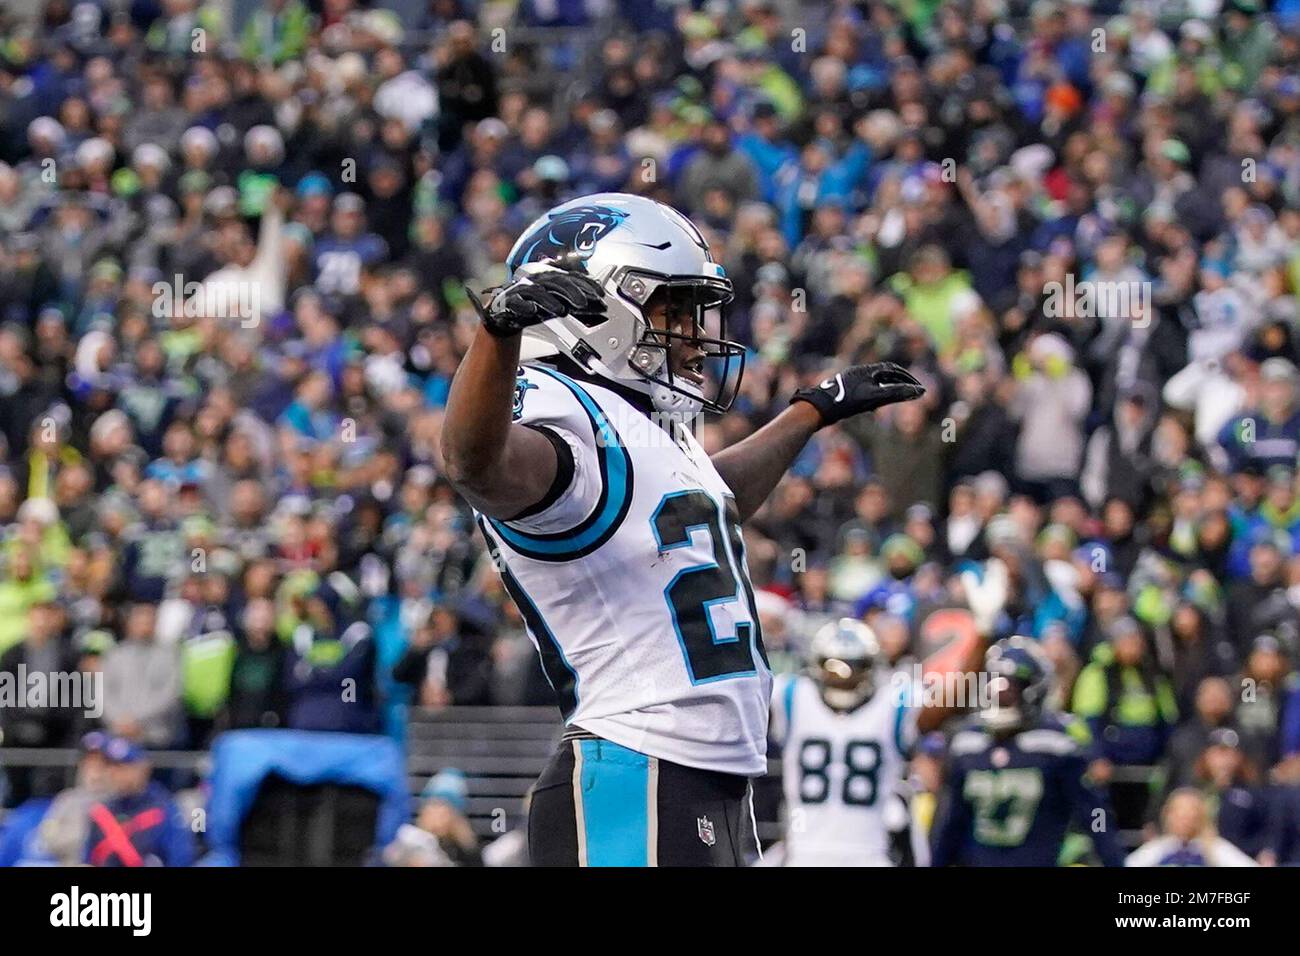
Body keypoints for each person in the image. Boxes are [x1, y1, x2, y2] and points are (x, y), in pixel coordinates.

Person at [440, 192, 924, 867]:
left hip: (708, 783)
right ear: (599, 312)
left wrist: (811, 412)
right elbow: (474, 464)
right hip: (636, 768)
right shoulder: (558, 414)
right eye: (675, 311)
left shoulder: (641, 427)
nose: (696, 335)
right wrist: (497, 336)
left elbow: (705, 505)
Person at [930, 636, 1126, 867]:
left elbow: (1094, 812)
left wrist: (1112, 856)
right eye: (996, 684)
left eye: (1012, 685)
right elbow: (950, 822)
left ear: (1034, 689)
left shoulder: (1055, 745)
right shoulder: (968, 743)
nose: (1002, 694)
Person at [1127, 788, 1258, 867]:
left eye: (1190, 813)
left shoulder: (1216, 848)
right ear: (1168, 816)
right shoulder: (1158, 849)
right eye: (1178, 814)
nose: (1184, 820)